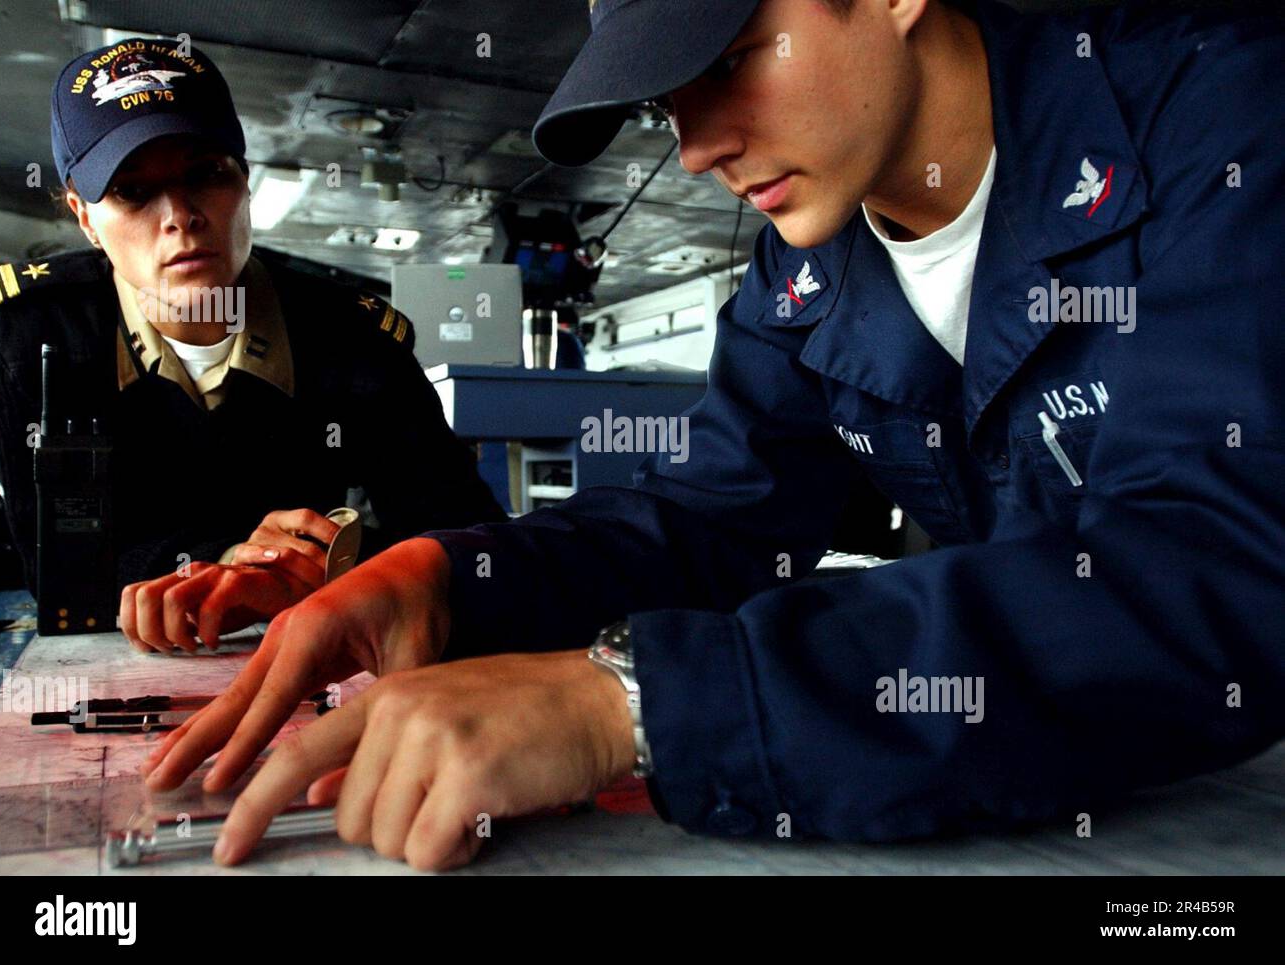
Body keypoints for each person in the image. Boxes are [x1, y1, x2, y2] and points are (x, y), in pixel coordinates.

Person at [142, 0, 1284, 871]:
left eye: (730, 60)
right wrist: (445, 577)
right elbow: (708, 519)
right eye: (665, 99)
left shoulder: (1227, 127)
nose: (692, 149)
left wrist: (630, 703)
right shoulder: (807, 267)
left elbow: (1213, 569)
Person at [0, 38, 506, 652]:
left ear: (244, 180)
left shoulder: (356, 340)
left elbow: (472, 544)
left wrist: (327, 569)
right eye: (131, 191)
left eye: (205, 173)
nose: (179, 215)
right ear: (83, 216)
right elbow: (58, 569)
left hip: (315, 647)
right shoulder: (27, 336)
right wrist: (230, 558)